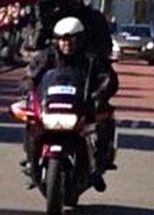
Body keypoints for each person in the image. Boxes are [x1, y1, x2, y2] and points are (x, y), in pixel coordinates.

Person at [24, 17, 118, 191]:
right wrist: (30, 91)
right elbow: (31, 76)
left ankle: (100, 163)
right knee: (31, 119)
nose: (65, 43)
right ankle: (31, 161)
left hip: (83, 104)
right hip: (53, 104)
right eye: (61, 39)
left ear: (79, 38)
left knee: (105, 117)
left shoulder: (90, 57)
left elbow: (108, 78)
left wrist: (100, 95)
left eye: (70, 39)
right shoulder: (47, 56)